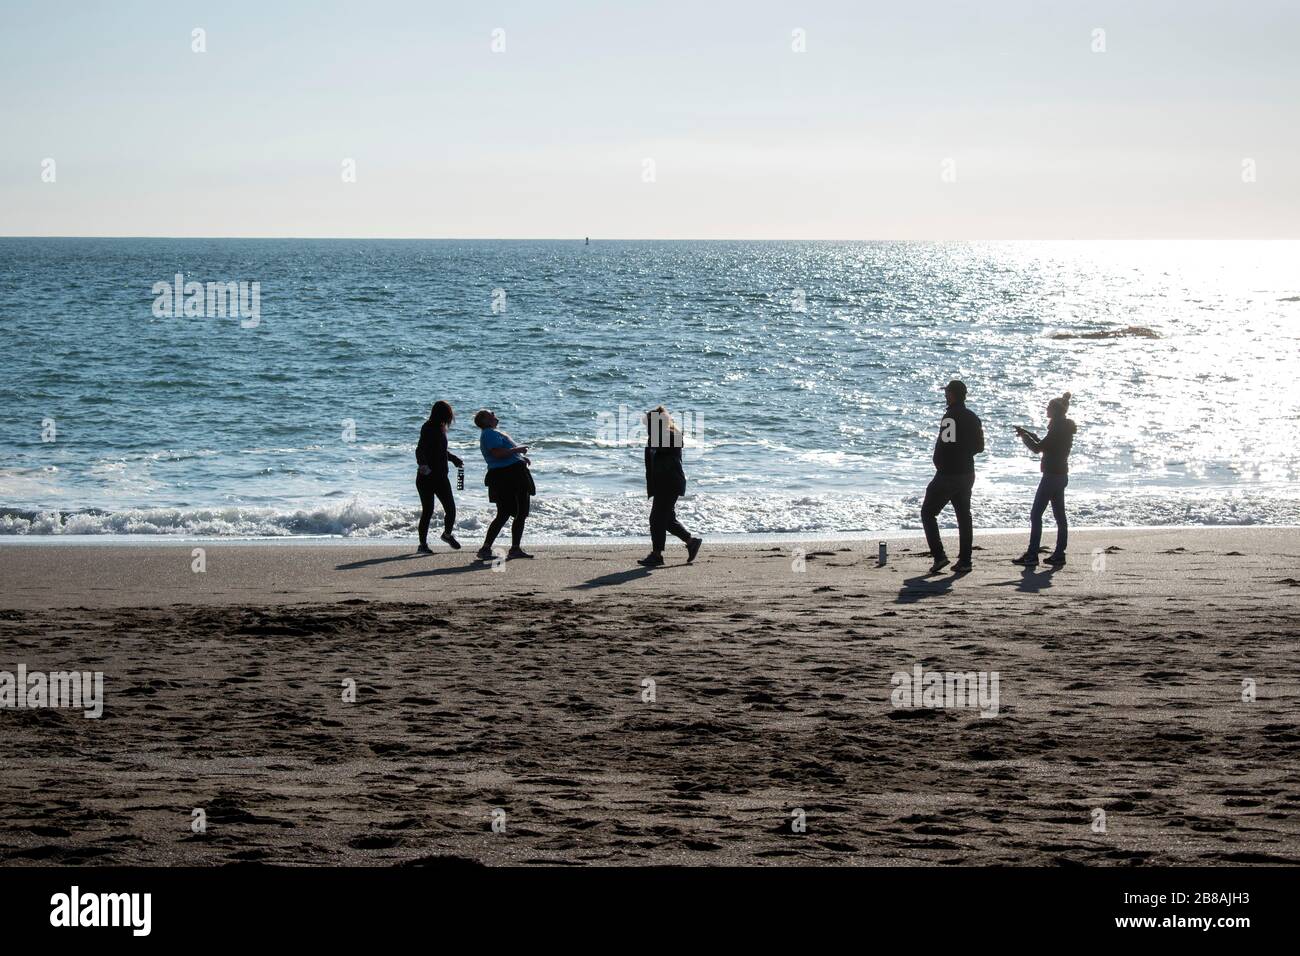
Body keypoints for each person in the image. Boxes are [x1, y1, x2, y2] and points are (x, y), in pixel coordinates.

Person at [920, 379, 985, 574]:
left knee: (927, 512)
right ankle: (965, 560)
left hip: (949, 473)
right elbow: (980, 447)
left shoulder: (950, 417)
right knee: (964, 516)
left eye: (947, 392)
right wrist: (965, 452)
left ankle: (939, 556)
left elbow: (945, 444)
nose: (945, 395)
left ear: (952, 395)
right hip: (967, 472)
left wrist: (938, 462)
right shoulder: (973, 417)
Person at [1013, 392, 1076, 567]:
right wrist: (1028, 433)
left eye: (1049, 407)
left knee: (1036, 515)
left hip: (1051, 477)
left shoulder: (1057, 429)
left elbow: (1037, 448)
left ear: (1055, 411)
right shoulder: (1063, 428)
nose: (1046, 410)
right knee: (1060, 518)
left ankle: (1032, 555)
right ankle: (1059, 554)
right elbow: (1044, 445)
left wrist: (1025, 437)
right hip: (1061, 475)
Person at [638, 406, 703, 567]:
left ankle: (657, 555)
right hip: (662, 483)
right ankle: (691, 542)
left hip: (670, 483)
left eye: (650, 424)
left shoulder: (673, 436)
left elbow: (665, 446)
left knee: (656, 518)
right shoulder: (655, 437)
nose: (647, 428)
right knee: (666, 520)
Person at [474, 409, 535, 560]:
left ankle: (496, 548)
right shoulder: (489, 433)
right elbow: (497, 453)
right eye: (491, 414)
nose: (495, 416)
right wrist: (518, 450)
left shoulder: (493, 433)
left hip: (509, 474)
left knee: (508, 513)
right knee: (516, 512)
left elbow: (504, 453)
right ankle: (505, 548)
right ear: (485, 420)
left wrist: (520, 457)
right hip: (508, 476)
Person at [415, 400, 464, 553]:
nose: (451, 418)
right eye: (449, 414)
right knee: (428, 511)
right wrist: (424, 466)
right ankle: (422, 545)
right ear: (442, 414)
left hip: (441, 477)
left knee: (451, 509)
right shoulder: (429, 427)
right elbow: (420, 449)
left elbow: (440, 452)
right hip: (427, 477)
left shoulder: (441, 428)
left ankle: (447, 535)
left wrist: (454, 459)